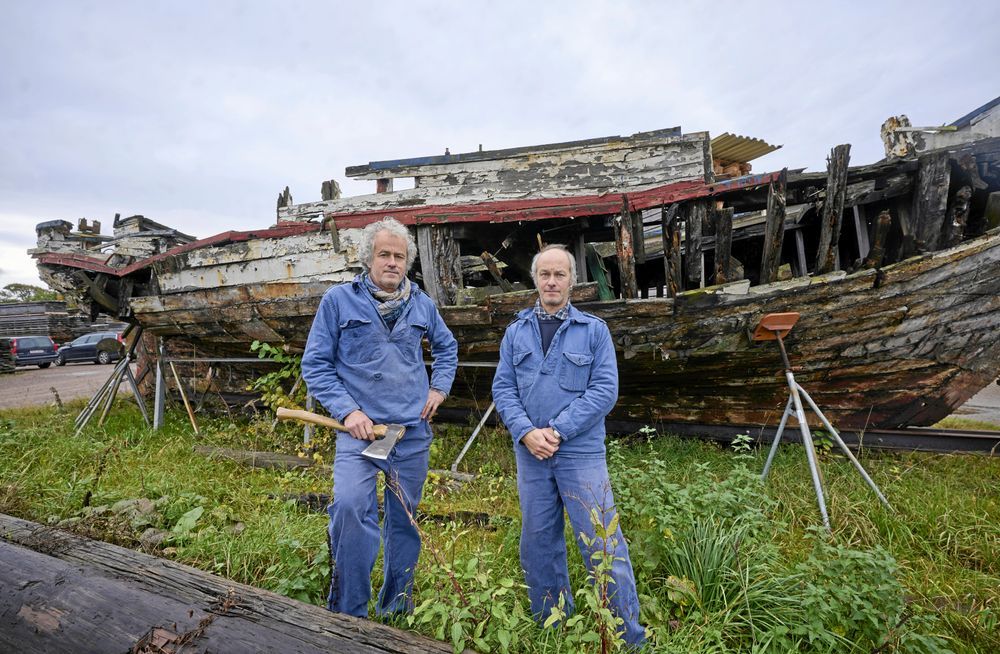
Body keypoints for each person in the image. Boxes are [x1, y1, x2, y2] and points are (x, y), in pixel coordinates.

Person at [301, 217, 458, 618]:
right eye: (384, 254)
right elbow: (315, 364)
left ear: (407, 262)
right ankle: (349, 613)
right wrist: (348, 410)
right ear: (368, 258)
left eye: (399, 256)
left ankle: (396, 610)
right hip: (361, 432)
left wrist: (439, 388)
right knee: (351, 508)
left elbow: (447, 347)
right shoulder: (339, 301)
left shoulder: (422, 304)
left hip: (410, 433)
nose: (392, 262)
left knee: (404, 520)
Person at [491, 244, 645, 647]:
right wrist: (526, 432)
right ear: (535, 279)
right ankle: (552, 627)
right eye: (545, 274)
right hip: (531, 454)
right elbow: (503, 389)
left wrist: (557, 431)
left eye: (560, 274)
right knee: (538, 542)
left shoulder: (593, 331)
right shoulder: (516, 332)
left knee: (602, 542)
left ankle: (627, 637)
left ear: (572, 281)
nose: (552, 282)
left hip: (580, 453)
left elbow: (604, 391)